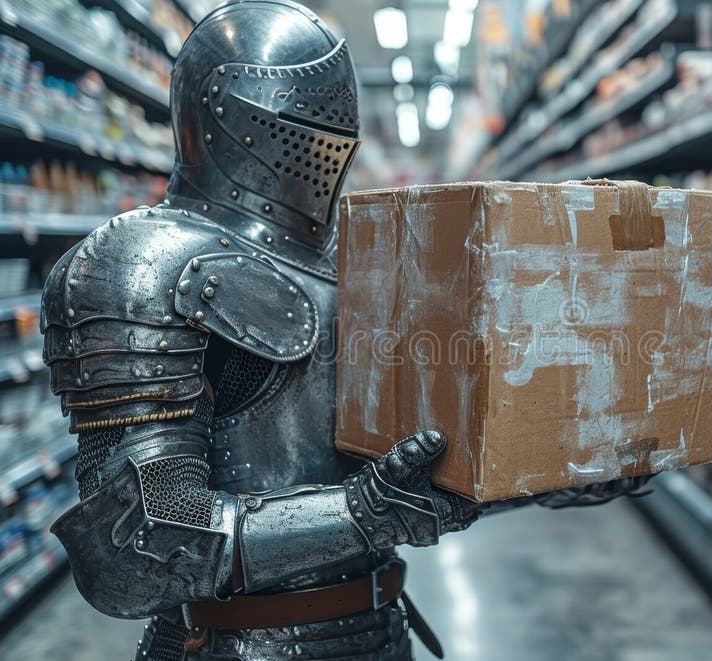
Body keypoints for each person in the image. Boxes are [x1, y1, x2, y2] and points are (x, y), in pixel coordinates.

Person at [40, 2, 644, 659]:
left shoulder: (361, 258)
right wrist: (355, 515)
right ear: (229, 117)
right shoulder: (145, 266)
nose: (322, 146)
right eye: (300, 127)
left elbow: (401, 482)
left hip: (379, 631)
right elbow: (134, 550)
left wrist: (547, 471)